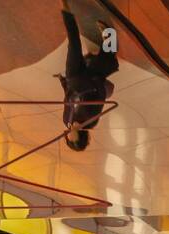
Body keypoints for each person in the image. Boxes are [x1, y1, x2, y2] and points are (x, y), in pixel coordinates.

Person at [58, 2, 118, 151]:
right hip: (91, 79)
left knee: (73, 44)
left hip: (73, 77)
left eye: (68, 139)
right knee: (108, 57)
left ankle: (65, 7)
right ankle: (109, 38)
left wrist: (64, 82)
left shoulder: (67, 121)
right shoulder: (90, 121)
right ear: (80, 138)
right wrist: (96, 80)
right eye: (72, 140)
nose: (68, 136)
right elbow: (101, 96)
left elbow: (68, 98)